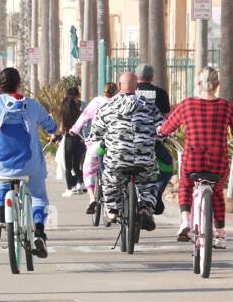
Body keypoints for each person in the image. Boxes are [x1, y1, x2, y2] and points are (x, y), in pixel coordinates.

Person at [0, 68, 58, 257]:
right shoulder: (32, 105)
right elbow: (50, 125)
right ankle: (38, 231)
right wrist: (55, 132)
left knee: (0, 178)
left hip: (2, 164)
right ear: (20, 83)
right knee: (38, 196)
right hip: (30, 165)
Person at [158, 67, 233, 244]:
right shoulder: (226, 107)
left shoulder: (187, 105)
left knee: (185, 185)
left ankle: (185, 220)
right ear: (217, 85)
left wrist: (160, 131)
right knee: (217, 193)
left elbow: (167, 128)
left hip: (193, 162)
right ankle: (220, 232)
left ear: (198, 84)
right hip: (217, 163)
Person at [88, 72, 162, 232]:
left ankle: (113, 210)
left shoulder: (107, 107)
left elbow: (96, 132)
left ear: (119, 86)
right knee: (149, 181)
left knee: (110, 178)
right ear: (136, 87)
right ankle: (145, 210)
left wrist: (96, 137)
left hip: (117, 159)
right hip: (144, 160)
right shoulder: (149, 106)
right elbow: (161, 129)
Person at [70, 82, 118, 213]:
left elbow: (83, 118)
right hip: (116, 144)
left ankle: (92, 198)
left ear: (103, 92)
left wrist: (74, 130)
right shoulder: (119, 102)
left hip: (96, 144)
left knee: (88, 169)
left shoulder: (96, 102)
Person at [136, 64, 174, 215]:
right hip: (153, 141)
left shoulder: (130, 93)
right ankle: (156, 193)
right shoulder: (161, 93)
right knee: (167, 165)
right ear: (152, 78)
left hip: (128, 143)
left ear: (136, 77)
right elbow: (165, 118)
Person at [54, 87, 86, 198]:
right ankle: (80, 183)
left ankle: (69, 189)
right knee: (77, 166)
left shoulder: (64, 111)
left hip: (69, 140)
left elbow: (62, 128)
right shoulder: (79, 111)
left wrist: (57, 136)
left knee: (68, 167)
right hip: (79, 139)